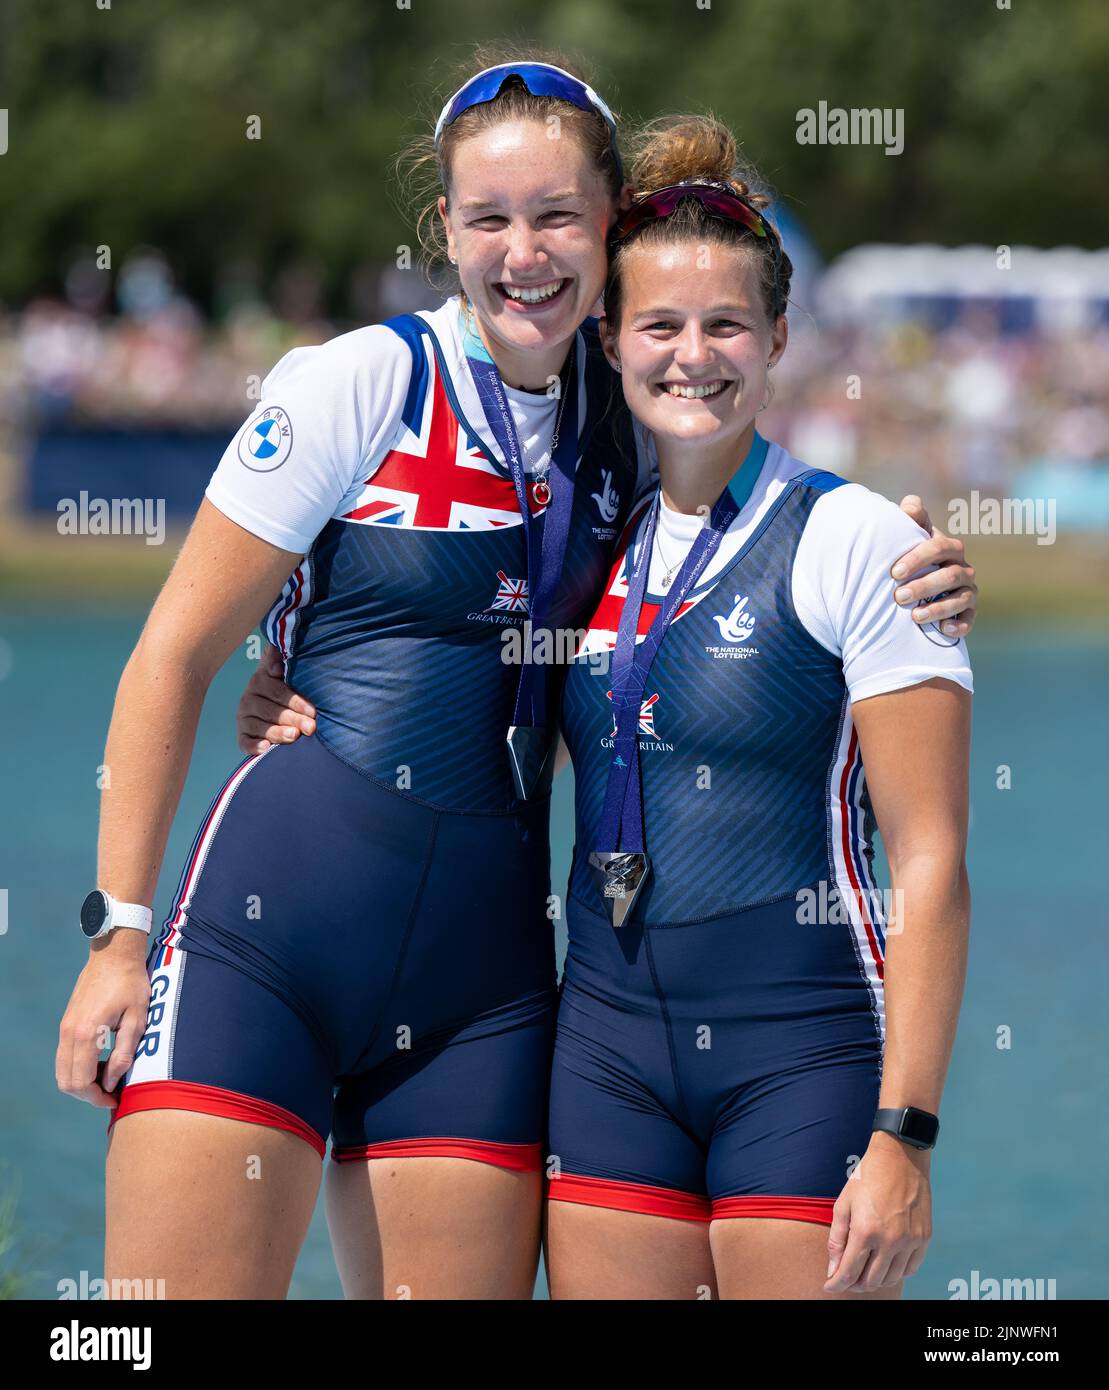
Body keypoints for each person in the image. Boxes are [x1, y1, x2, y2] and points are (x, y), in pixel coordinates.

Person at [59, 50, 977, 1302]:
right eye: (488, 218)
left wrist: (920, 560)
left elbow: (739, 566)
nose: (522, 251)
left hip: (481, 991)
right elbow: (168, 656)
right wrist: (116, 935)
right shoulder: (360, 381)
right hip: (265, 940)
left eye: (556, 216)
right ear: (446, 227)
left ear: (609, 225)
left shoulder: (631, 414)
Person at [541, 115, 973, 1299]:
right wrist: (281, 681)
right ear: (611, 336)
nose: (694, 355)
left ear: (777, 337)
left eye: (726, 324)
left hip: (805, 1049)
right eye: (661, 326)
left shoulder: (861, 542)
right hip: (605, 1053)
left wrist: (907, 1133)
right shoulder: (580, 533)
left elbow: (930, 860)